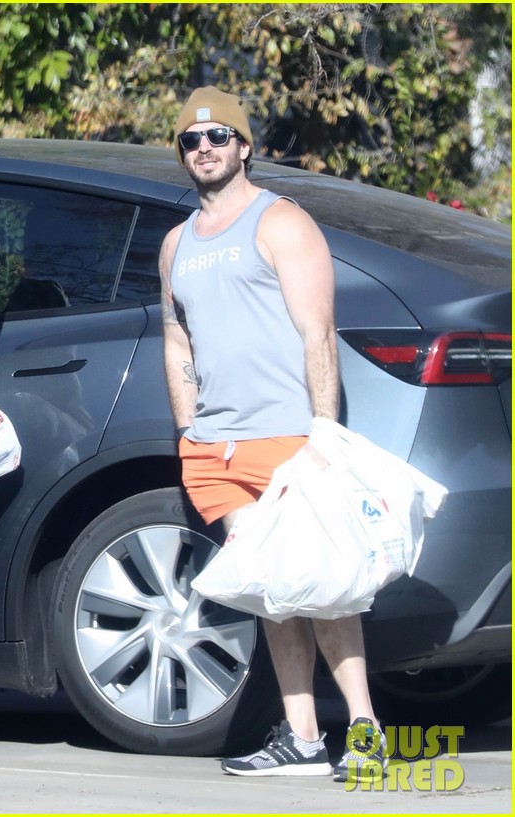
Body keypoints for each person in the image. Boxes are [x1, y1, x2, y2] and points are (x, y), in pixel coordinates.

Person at [158, 86, 386, 781]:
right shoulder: (175, 245)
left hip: (288, 437)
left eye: (218, 136)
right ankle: (303, 738)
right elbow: (177, 340)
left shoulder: (281, 221)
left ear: (244, 146)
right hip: (215, 449)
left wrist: (323, 433)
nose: (204, 148)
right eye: (191, 140)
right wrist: (188, 431)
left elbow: (319, 331)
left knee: (321, 588)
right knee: (271, 590)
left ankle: (366, 730)